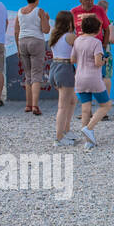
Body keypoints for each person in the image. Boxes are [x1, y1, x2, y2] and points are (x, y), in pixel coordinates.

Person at [73, 15, 112, 148]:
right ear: (97, 30)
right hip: (93, 78)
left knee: (85, 109)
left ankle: (88, 142)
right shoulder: (96, 43)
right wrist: (104, 60)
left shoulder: (77, 40)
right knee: (106, 105)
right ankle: (89, 128)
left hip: (79, 78)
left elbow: (73, 59)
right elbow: (97, 62)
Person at [71, 0, 112, 115]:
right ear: (81, 0)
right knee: (83, 75)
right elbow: (70, 30)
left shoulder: (99, 10)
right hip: (81, 47)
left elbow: (107, 28)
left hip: (97, 46)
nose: (90, 2)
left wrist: (104, 45)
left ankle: (102, 108)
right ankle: (86, 110)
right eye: (87, 0)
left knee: (101, 75)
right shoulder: (74, 12)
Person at [14, 0, 50, 115]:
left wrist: (18, 47)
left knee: (28, 74)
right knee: (36, 74)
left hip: (22, 42)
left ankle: (28, 105)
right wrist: (46, 18)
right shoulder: (39, 11)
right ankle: (35, 105)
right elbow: (46, 30)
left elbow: (16, 31)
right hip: (36, 42)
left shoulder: (19, 11)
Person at [48, 10, 78, 145]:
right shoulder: (70, 36)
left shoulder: (53, 35)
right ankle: (59, 137)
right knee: (63, 106)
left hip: (54, 67)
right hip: (65, 69)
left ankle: (66, 129)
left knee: (72, 100)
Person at [97, 0, 114, 94]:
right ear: (106, 9)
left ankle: (93, 99)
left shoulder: (93, 21)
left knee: (95, 75)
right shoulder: (109, 22)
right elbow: (111, 39)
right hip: (106, 51)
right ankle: (106, 98)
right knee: (107, 75)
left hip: (94, 51)